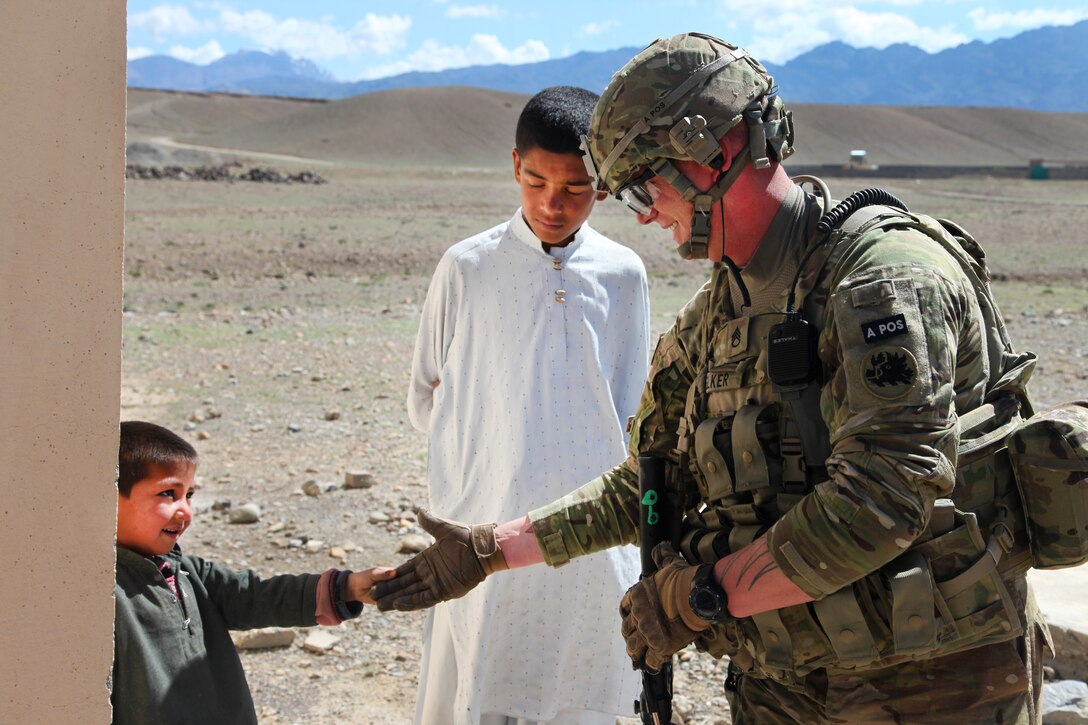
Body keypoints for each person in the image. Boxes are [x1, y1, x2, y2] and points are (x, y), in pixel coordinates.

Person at [374, 33, 1053, 724]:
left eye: (646, 184)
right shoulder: (715, 316)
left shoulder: (882, 278)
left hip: (935, 686)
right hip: (784, 683)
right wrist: (492, 550)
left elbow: (885, 497)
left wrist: (701, 595)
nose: (641, 213)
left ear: (717, 156)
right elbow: (646, 481)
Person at [405, 85, 649, 725]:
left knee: (586, 675)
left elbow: (629, 404)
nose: (551, 203)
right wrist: (484, 458)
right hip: (483, 515)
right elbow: (426, 391)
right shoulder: (467, 266)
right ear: (516, 166)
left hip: (592, 525)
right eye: (537, 180)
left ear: (602, 183)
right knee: (484, 678)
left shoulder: (624, 274)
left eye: (575, 188)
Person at [110, 420, 395, 725]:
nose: (185, 511)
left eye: (189, 495)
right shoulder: (107, 594)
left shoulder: (187, 572)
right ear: (110, 498)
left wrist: (348, 587)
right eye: (168, 493)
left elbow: (253, 595)